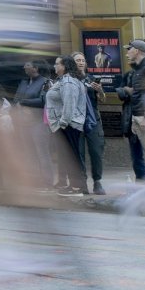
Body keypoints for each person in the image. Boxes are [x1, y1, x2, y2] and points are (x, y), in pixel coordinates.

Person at [117, 40, 145, 181]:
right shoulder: (137, 70)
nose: (127, 52)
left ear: (137, 51)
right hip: (137, 117)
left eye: (129, 49)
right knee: (141, 154)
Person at [45, 55, 88, 196]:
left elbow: (69, 105)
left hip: (68, 125)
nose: (55, 66)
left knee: (71, 157)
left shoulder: (68, 81)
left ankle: (76, 187)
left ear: (64, 66)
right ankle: (75, 186)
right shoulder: (64, 80)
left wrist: (62, 124)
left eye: (57, 64)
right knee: (68, 156)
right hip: (65, 125)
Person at [13, 60, 52, 188]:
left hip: (38, 122)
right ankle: (34, 180)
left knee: (42, 153)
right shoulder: (24, 82)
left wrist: (23, 102)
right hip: (24, 122)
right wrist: (20, 103)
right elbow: (16, 98)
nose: (24, 67)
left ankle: (47, 182)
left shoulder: (45, 82)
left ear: (35, 68)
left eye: (28, 65)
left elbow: (43, 100)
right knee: (29, 153)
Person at [72, 51, 106, 194]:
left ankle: (97, 182)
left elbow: (103, 100)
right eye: (77, 60)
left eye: (83, 60)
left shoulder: (92, 79)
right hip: (76, 121)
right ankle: (82, 183)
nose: (81, 62)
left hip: (93, 121)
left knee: (96, 152)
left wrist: (99, 91)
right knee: (78, 154)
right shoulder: (69, 80)